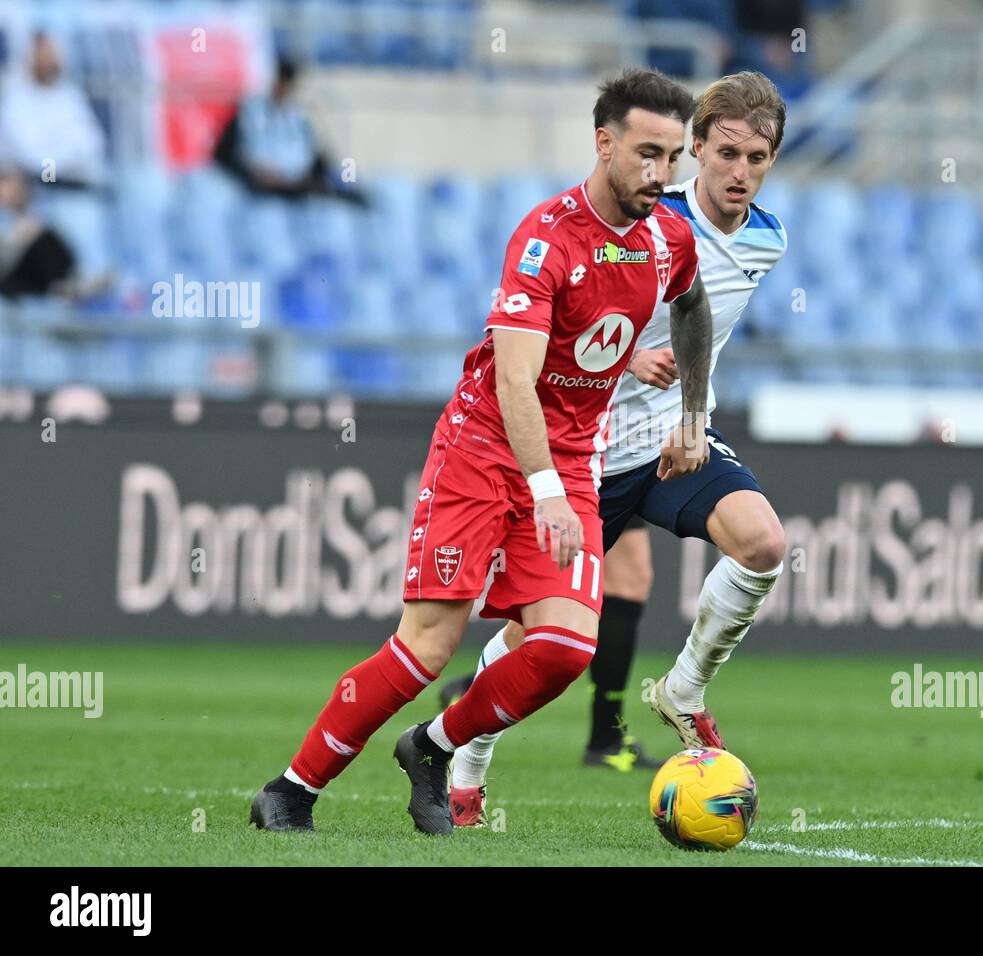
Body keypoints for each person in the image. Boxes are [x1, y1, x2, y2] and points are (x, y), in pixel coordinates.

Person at [250, 68, 712, 835]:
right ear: (604, 144)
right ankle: (291, 790)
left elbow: (691, 305)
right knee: (428, 645)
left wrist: (693, 410)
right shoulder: (545, 241)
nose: (661, 176)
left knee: (565, 649)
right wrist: (548, 491)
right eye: (646, 155)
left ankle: (431, 748)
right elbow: (514, 379)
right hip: (485, 446)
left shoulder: (668, 237)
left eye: (673, 159)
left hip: (567, 459)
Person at [441, 71, 789, 827]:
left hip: (672, 443)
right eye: (726, 153)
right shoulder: (649, 217)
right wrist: (624, 358)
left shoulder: (768, 239)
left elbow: (702, 325)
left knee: (763, 544)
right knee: (537, 637)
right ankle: (464, 762)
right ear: (694, 148)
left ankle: (684, 690)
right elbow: (564, 308)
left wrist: (693, 414)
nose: (740, 172)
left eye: (758, 158)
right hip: (585, 444)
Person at [214, 56, 363, 205]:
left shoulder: (298, 117)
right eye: (281, 82)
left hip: (297, 186)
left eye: (288, 84)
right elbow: (225, 154)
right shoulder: (249, 112)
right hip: (259, 189)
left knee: (344, 192)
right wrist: (251, 175)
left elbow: (315, 155)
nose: (284, 88)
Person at [0, 32, 106, 189]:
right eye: (43, 56)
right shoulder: (15, 99)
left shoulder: (69, 95)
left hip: (72, 180)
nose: (49, 61)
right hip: (33, 187)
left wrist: (61, 159)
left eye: (52, 55)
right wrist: (67, 159)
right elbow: (32, 156)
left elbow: (92, 142)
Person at [0, 167, 75, 298]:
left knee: (43, 236)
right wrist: (17, 241)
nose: (14, 191)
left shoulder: (38, 221)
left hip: (39, 285)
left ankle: (67, 286)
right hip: (14, 287)